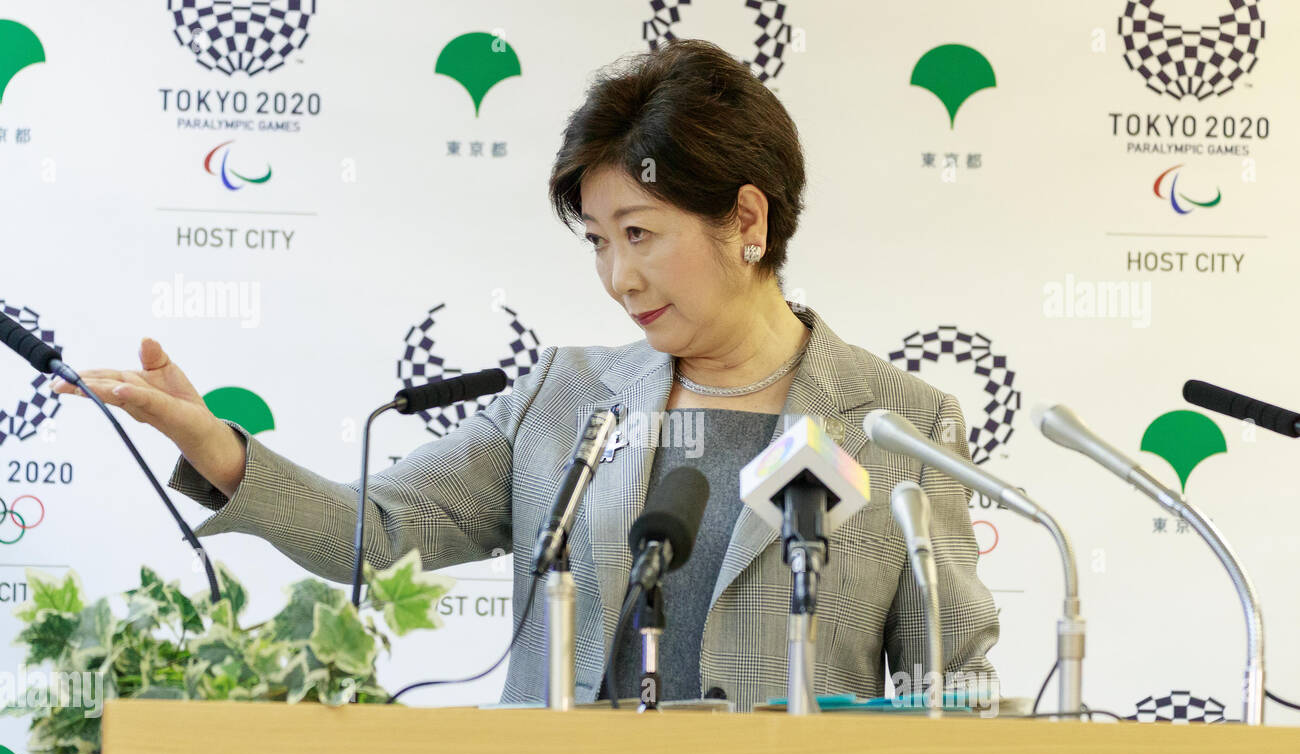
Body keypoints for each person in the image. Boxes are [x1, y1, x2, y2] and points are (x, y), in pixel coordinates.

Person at [54, 38, 999, 712]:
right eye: (598, 241)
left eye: (640, 233)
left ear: (746, 220)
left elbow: (950, 683)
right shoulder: (565, 397)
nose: (618, 278)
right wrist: (219, 451)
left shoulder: (901, 424)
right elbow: (378, 533)